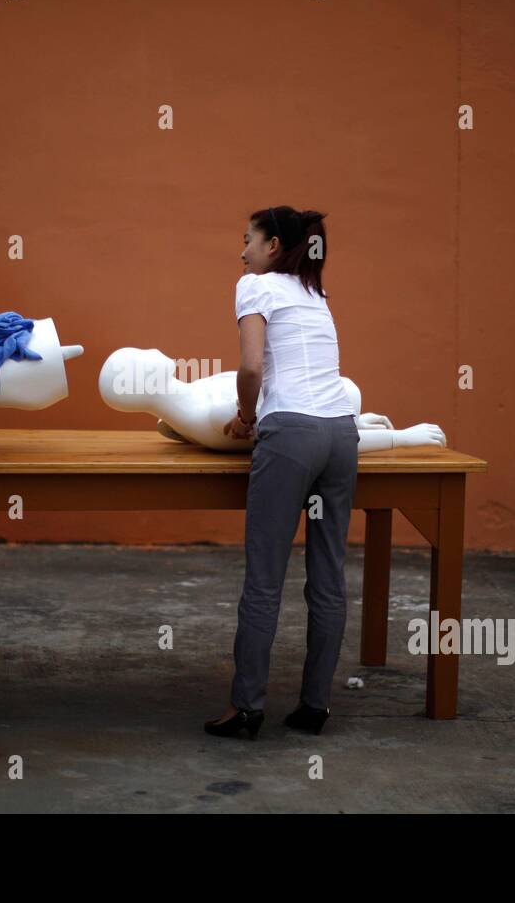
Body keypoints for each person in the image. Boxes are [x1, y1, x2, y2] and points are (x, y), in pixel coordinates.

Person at [205, 205, 360, 740]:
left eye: (247, 238)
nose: (241, 249)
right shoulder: (315, 293)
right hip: (341, 434)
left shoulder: (256, 286)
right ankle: (315, 706)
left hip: (290, 434)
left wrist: (246, 417)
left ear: (272, 246)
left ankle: (246, 708)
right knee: (328, 576)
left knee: (265, 577)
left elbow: (251, 367)